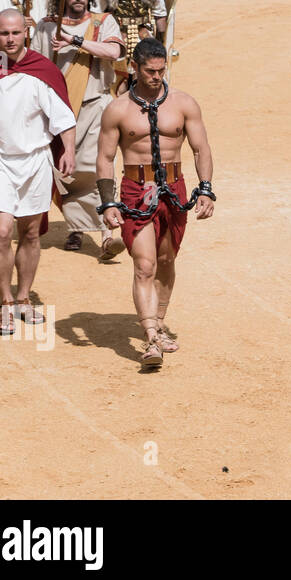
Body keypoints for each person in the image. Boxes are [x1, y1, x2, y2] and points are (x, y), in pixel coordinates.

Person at [0, 9, 76, 335]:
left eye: (15, 33)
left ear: (26, 33)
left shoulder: (42, 69)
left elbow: (63, 118)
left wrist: (70, 153)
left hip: (35, 162)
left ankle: (24, 298)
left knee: (31, 233)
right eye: (3, 33)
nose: (9, 39)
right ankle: (6, 302)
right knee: (3, 231)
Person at [96, 37, 215, 368]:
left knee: (166, 259)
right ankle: (150, 337)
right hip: (137, 188)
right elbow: (105, 159)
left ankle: (159, 323)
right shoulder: (117, 109)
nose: (156, 77)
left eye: (162, 71)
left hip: (174, 189)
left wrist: (205, 188)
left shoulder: (184, 103)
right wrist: (108, 203)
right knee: (144, 264)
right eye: (150, 71)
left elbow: (200, 148)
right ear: (134, 67)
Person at [35, 0, 123, 258]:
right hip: (59, 112)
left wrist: (75, 41)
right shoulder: (48, 27)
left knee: (97, 166)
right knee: (65, 172)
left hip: (96, 105)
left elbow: (112, 52)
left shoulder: (103, 22)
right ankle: (76, 227)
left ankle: (108, 235)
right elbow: (34, 64)